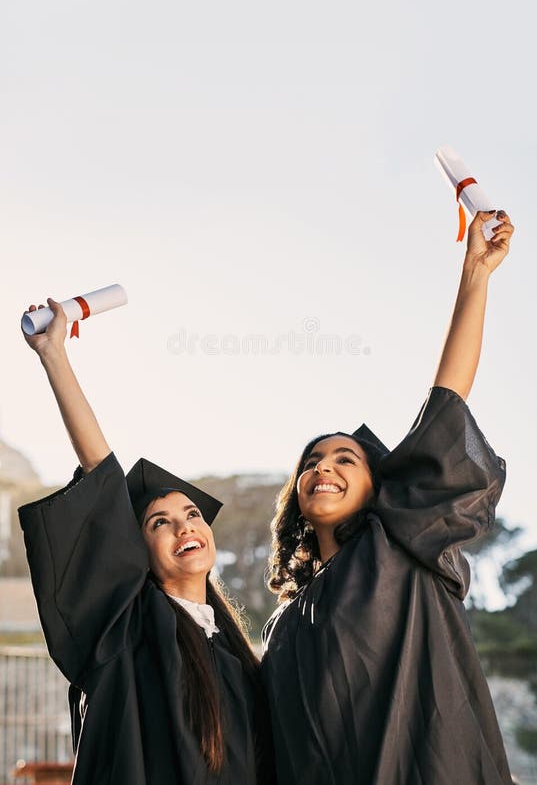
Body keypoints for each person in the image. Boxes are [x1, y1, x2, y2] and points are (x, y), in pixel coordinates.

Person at [262, 210, 515, 785]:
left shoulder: (398, 543)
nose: (324, 466)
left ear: (384, 490)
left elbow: (447, 400)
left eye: (345, 459)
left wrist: (474, 275)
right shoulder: (282, 626)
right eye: (312, 461)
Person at [18, 301, 275, 785]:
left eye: (192, 514)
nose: (184, 527)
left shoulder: (239, 657)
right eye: (159, 522)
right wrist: (55, 356)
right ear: (131, 550)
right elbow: (102, 475)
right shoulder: (130, 627)